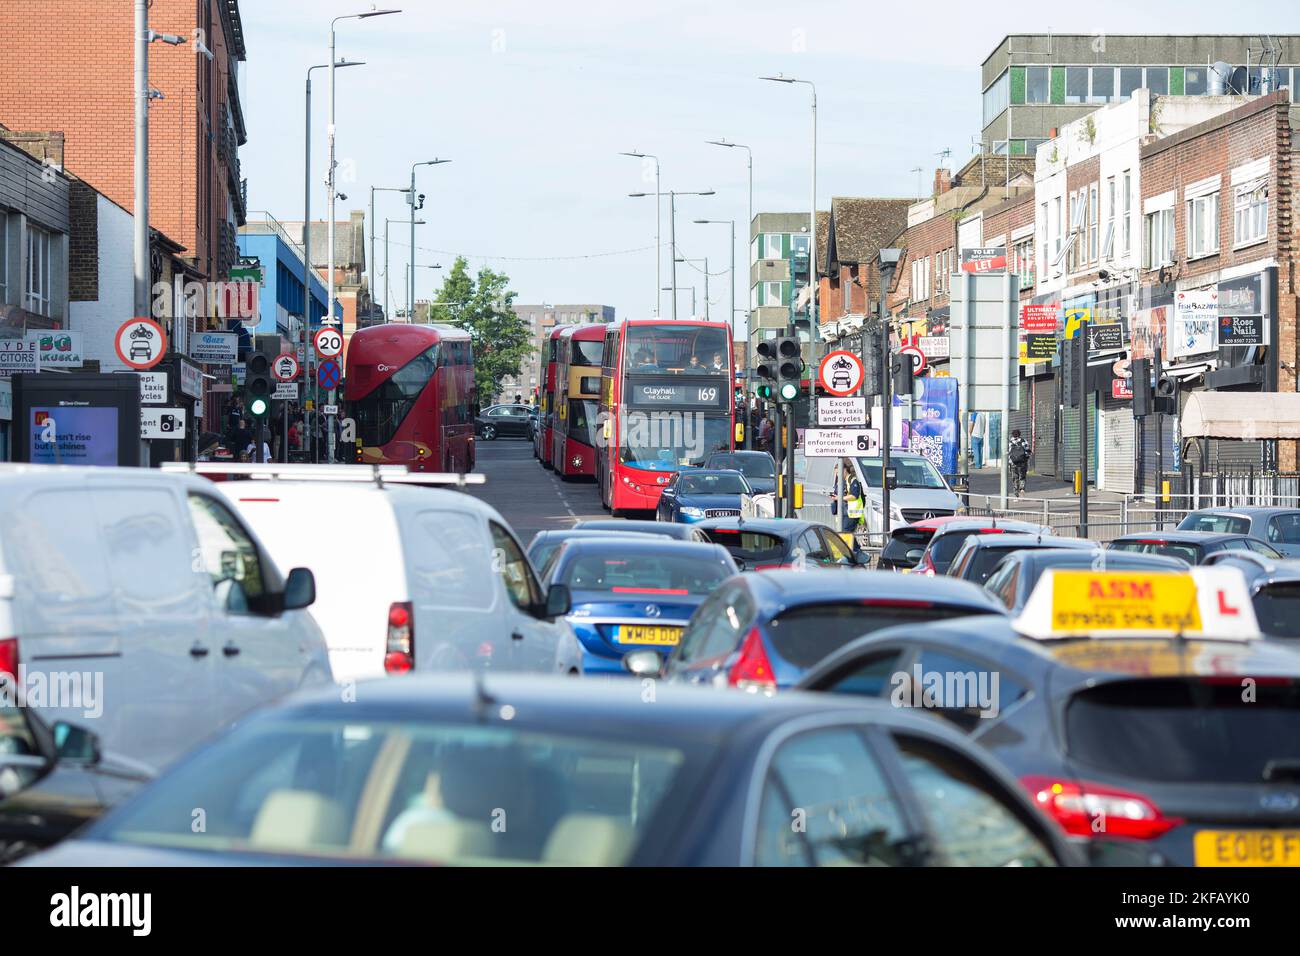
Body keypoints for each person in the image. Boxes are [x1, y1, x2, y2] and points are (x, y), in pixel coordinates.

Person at [1008, 429, 1031, 494]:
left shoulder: (1010, 442)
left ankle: (1016, 493)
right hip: (1022, 462)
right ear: (1019, 434)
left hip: (1013, 463)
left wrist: (1010, 461)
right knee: (1022, 476)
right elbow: (1028, 451)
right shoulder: (1024, 441)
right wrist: (1026, 458)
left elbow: (1008, 453)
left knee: (1015, 478)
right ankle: (1022, 489)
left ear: (1012, 435)